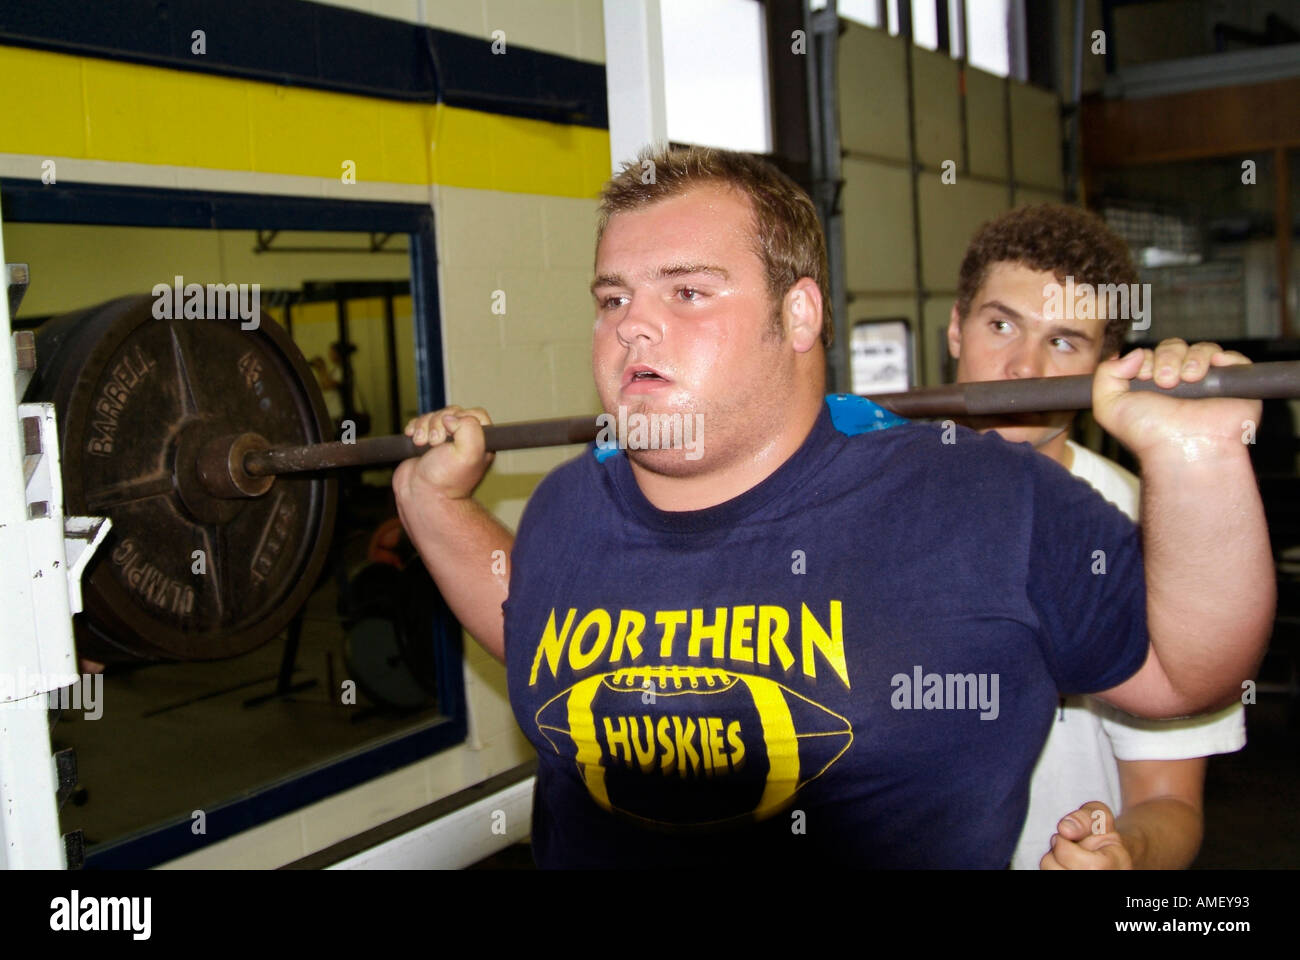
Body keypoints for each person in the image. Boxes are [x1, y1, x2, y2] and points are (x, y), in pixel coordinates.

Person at [393, 146, 1273, 868]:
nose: (632, 325)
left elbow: (1186, 671)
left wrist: (1197, 462)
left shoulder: (984, 498)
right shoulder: (564, 504)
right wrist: (430, 505)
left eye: (687, 291)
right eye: (613, 297)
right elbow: (536, 636)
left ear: (801, 312)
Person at [947, 204, 1247, 870]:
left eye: (1062, 341)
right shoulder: (868, 494)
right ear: (955, 328)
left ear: (1105, 366)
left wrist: (1123, 854)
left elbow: (1169, 803)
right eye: (1001, 325)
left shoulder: (1156, 529)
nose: (1022, 367)